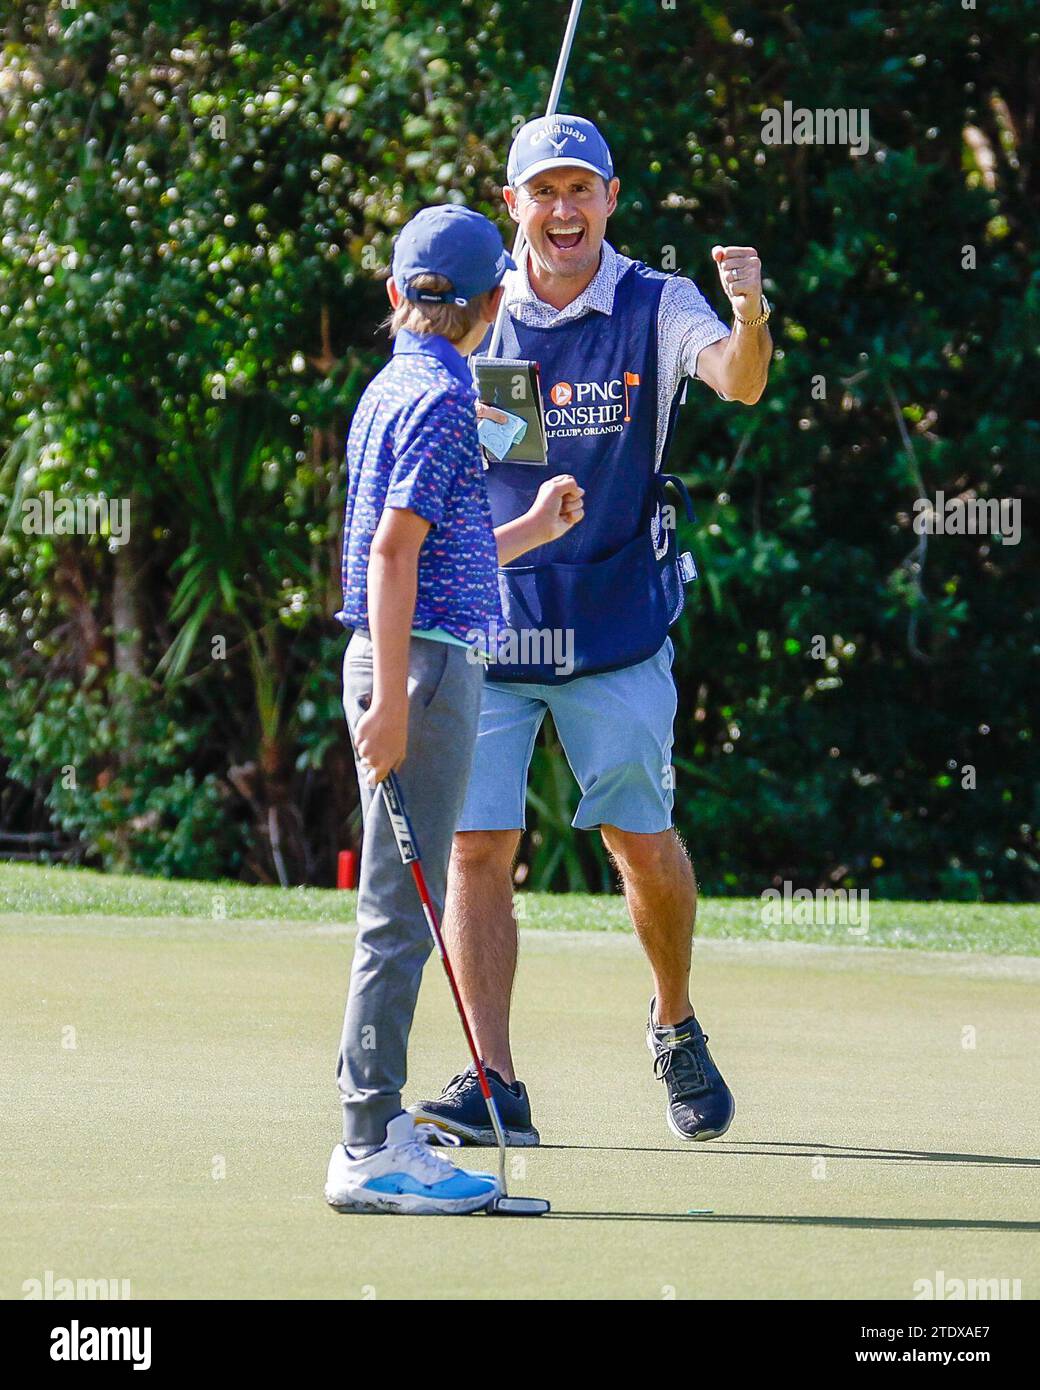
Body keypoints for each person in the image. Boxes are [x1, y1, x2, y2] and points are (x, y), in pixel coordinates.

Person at [410, 117, 771, 1147]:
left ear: (611, 198)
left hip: (613, 621)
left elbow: (738, 380)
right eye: (543, 192)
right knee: (478, 845)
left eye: (581, 190)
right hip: (495, 620)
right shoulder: (477, 306)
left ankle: (671, 1017)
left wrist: (747, 313)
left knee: (638, 842)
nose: (562, 210)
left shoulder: (658, 303)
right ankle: (493, 1081)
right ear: (513, 201)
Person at [324, 204, 584, 1213]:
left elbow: (437, 554)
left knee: (403, 909)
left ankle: (372, 1130)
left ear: (397, 295)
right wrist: (390, 699)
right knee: (400, 914)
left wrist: (526, 526)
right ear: (494, 302)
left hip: (418, 659)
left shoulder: (397, 383)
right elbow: (390, 556)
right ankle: (368, 1144)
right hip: (418, 673)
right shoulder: (438, 399)